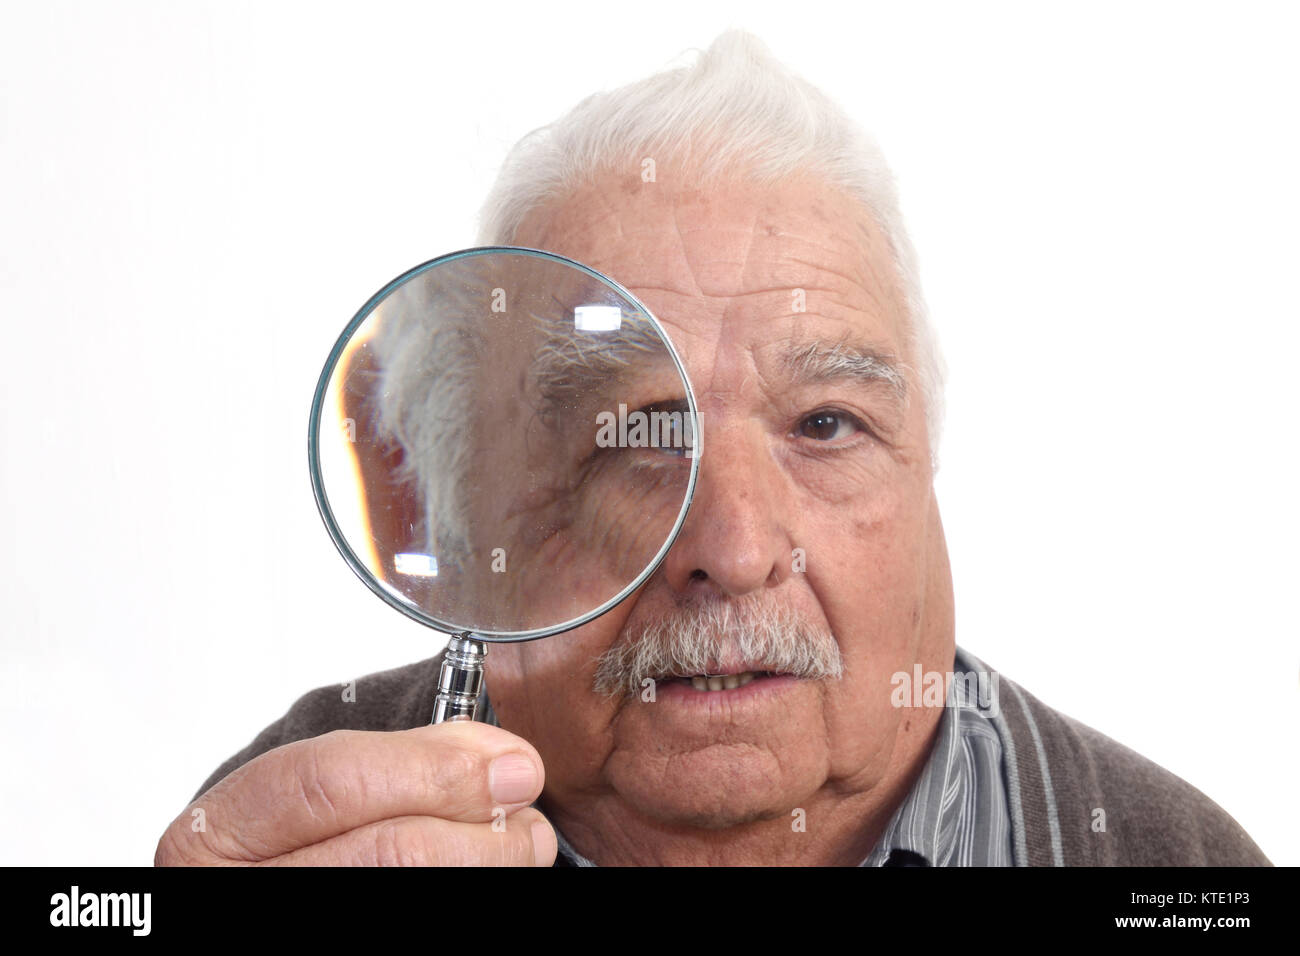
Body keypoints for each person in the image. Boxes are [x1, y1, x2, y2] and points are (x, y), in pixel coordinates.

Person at [155, 30, 1269, 867]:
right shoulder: (293, 823)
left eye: (824, 424)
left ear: (926, 462)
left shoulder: (1175, 863)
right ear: (454, 514)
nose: (732, 549)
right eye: (627, 437)